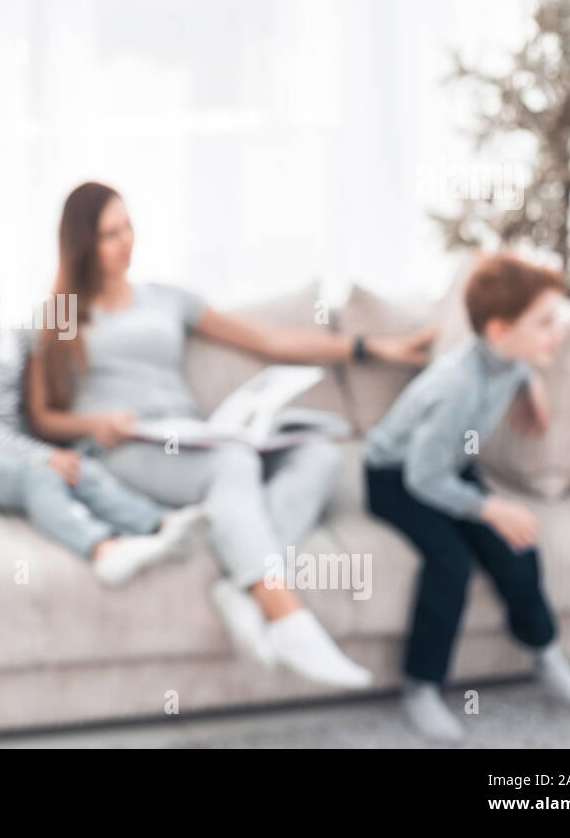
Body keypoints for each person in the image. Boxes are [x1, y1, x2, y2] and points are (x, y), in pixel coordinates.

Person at [27, 181, 434, 689]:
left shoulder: (167, 298)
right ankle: (287, 618)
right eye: (110, 233)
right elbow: (41, 417)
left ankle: (240, 588)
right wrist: (95, 424)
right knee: (234, 467)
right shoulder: (63, 314)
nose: (126, 241)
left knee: (321, 457)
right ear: (82, 243)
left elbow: (269, 340)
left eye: (129, 226)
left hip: (192, 435)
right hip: (124, 448)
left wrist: (371, 347)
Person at [363, 252, 570, 741]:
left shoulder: (509, 359)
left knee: (516, 541)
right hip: (396, 477)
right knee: (451, 561)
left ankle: (546, 653)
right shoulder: (457, 387)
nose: (556, 334)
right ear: (499, 331)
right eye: (545, 324)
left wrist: (532, 384)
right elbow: (422, 479)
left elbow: (514, 368)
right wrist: (487, 506)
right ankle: (421, 687)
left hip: (448, 465)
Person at [0, 243, 208, 586]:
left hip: (4, 449)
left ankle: (163, 524)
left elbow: (49, 330)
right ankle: (103, 548)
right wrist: (45, 456)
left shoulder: (11, 340)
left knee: (81, 469)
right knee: (40, 475)